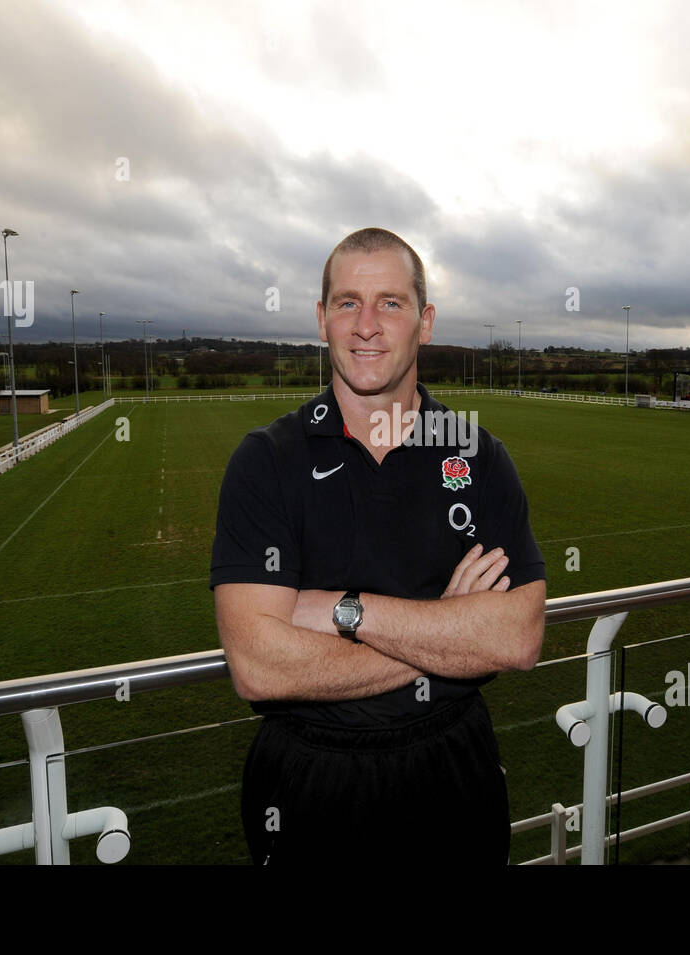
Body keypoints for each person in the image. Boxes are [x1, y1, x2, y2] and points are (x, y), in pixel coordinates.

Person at [210, 227, 545, 864]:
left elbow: (517, 638)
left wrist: (344, 609)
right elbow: (258, 664)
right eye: (346, 303)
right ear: (321, 320)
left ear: (425, 322)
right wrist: (451, 635)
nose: (366, 325)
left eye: (390, 303)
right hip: (309, 780)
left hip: (455, 769)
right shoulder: (266, 461)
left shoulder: (478, 453)